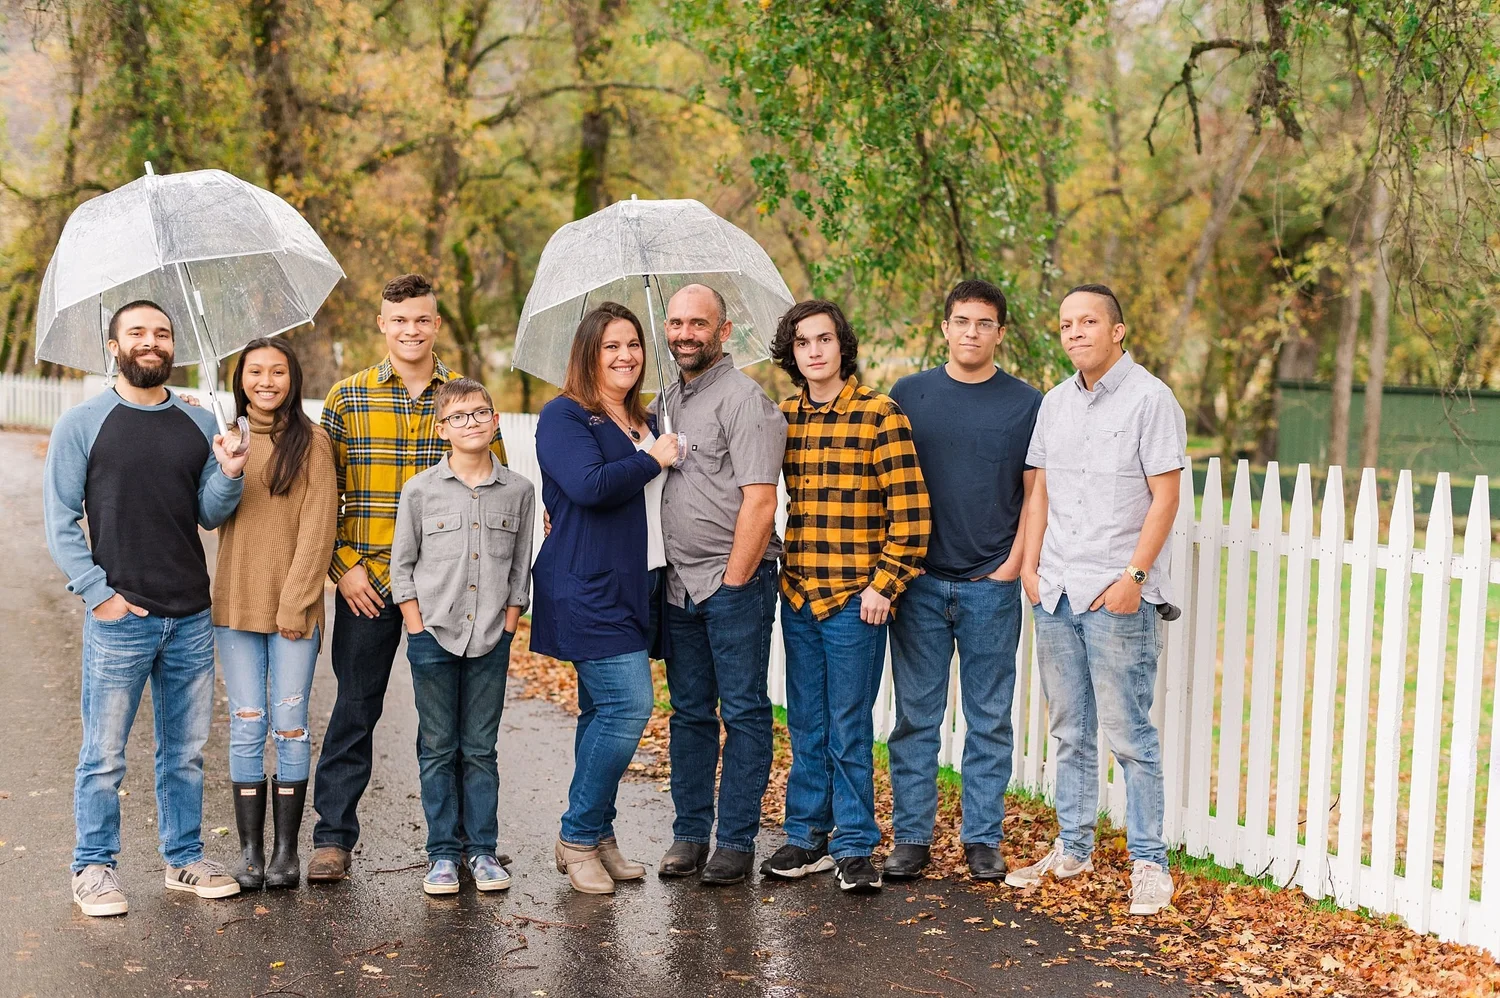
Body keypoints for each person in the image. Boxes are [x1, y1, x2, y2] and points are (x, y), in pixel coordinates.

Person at [44, 299, 249, 917]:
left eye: (161, 333)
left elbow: (208, 513)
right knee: (104, 754)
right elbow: (60, 523)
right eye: (137, 332)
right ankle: (94, 867)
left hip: (189, 615)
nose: (151, 342)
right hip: (120, 618)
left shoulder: (192, 422)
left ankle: (184, 859)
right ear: (114, 346)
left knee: (183, 754)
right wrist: (99, 596)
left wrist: (230, 471)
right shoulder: (82, 423)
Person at [308, 273, 507, 883]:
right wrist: (342, 570)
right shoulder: (348, 397)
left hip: (445, 591)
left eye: (421, 319)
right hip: (368, 584)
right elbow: (321, 497)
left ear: (436, 323)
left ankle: (458, 847)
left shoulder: (463, 397)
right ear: (382, 325)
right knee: (355, 708)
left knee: (446, 725)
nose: (410, 330)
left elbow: (494, 487)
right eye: (399, 321)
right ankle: (333, 838)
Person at [1007, 284, 1186, 917]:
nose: (1076, 332)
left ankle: (1148, 864)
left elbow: (1165, 498)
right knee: (1070, 731)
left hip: (1115, 595)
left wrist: (1133, 578)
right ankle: (1073, 848)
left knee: (1129, 734)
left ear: (1118, 331)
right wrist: (1029, 564)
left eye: (1089, 322)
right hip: (1054, 589)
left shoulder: (1151, 400)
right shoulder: (1054, 403)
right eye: (1066, 325)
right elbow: (1042, 492)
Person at [760, 299, 930, 894]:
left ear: (842, 345)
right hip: (801, 594)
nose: (814, 350)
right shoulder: (782, 418)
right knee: (804, 720)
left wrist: (885, 585)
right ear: (792, 354)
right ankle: (806, 835)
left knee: (848, 722)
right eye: (803, 342)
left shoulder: (880, 415)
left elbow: (911, 516)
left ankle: (855, 844)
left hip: (857, 602)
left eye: (824, 339)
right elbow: (752, 492)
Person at [883, 280, 1041, 882]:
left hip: (990, 583)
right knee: (916, 718)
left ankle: (982, 839)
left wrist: (1012, 564)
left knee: (988, 718)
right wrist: (903, 565)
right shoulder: (909, 395)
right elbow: (887, 484)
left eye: (983, 323)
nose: (971, 331)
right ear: (944, 327)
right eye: (960, 321)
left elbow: (1035, 494)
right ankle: (913, 839)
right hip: (919, 582)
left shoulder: (1026, 403)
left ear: (999, 333)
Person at [531, 303, 679, 895]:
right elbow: (589, 488)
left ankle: (603, 835)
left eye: (634, 344)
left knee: (599, 714)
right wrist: (651, 459)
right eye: (611, 345)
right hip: (587, 581)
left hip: (639, 583)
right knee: (627, 708)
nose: (625, 355)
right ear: (588, 352)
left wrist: (651, 446)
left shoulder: (645, 417)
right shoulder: (563, 415)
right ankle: (576, 834)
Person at [654, 284, 785, 886]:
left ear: (723, 331)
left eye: (698, 324)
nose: (685, 333)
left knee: (745, 711)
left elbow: (760, 502)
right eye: (676, 322)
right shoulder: (664, 399)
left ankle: (735, 841)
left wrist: (734, 581)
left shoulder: (745, 401)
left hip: (732, 585)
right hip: (678, 587)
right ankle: (689, 835)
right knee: (688, 713)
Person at [391, 378, 534, 896]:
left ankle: (482, 850)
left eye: (479, 413)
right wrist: (414, 623)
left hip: (491, 636)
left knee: (479, 747)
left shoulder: (518, 489)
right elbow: (401, 564)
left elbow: (520, 566)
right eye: (458, 416)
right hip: (433, 634)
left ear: (495, 421)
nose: (470, 423)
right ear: (442, 428)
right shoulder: (420, 490)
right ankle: (443, 855)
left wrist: (511, 622)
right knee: (437, 745)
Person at [213, 338, 338, 890]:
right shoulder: (225, 438)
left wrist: (295, 603)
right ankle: (249, 854)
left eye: (278, 371)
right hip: (236, 603)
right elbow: (209, 512)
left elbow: (319, 529)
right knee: (246, 726)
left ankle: (286, 852)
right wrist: (227, 468)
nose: (267, 381)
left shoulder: (312, 442)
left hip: (295, 606)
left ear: (293, 379)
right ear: (241, 379)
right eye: (256, 371)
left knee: (289, 725)